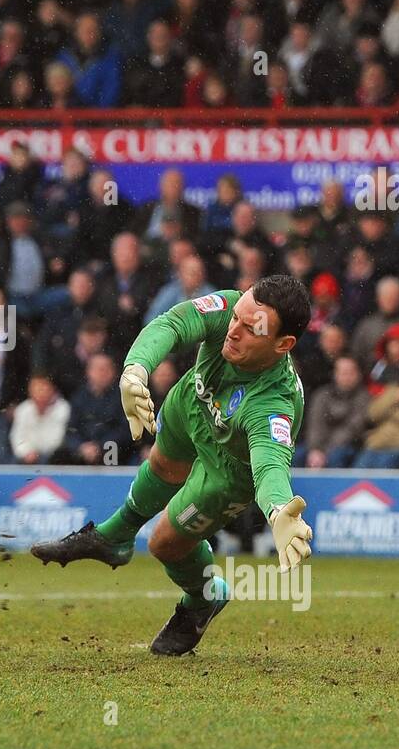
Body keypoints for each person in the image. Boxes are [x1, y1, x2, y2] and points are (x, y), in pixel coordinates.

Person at [31, 277, 315, 656]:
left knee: (164, 543)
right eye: (237, 317)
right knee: (162, 464)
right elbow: (173, 324)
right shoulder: (231, 308)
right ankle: (114, 537)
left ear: (283, 345)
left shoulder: (273, 403)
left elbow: (269, 464)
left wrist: (278, 509)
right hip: (194, 402)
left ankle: (204, 598)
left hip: (229, 466)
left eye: (251, 329)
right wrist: (135, 370)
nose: (234, 331)